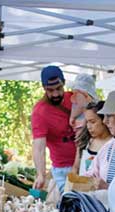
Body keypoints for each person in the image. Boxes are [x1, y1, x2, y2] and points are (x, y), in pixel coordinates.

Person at [31, 65, 77, 193]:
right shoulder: (40, 112)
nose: (56, 94)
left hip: (83, 164)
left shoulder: (75, 99)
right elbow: (38, 147)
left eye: (59, 88)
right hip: (63, 169)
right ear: (44, 88)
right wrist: (41, 174)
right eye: (50, 90)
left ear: (64, 83)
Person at [72, 101, 111, 176]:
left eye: (92, 122)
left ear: (104, 120)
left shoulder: (114, 143)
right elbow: (76, 168)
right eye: (87, 122)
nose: (89, 127)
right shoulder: (84, 140)